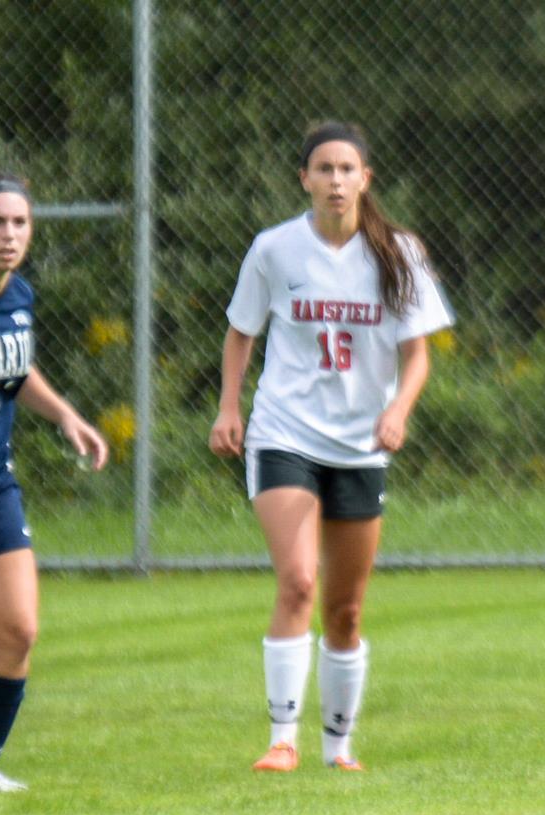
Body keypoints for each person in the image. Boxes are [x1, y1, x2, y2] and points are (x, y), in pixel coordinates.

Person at [209, 122, 452, 773]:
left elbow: (417, 353)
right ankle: (281, 738)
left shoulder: (397, 252)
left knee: (344, 607)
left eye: (348, 169)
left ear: (365, 179)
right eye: (324, 169)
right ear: (305, 179)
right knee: (297, 581)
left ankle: (338, 747)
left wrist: (398, 407)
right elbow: (240, 333)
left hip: (359, 444)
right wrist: (229, 406)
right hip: (284, 433)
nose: (336, 180)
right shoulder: (276, 249)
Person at [0, 175, 110, 792]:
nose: (8, 235)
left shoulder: (19, 297)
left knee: (19, 629)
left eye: (18, 223)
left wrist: (65, 415)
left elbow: (14, 366)